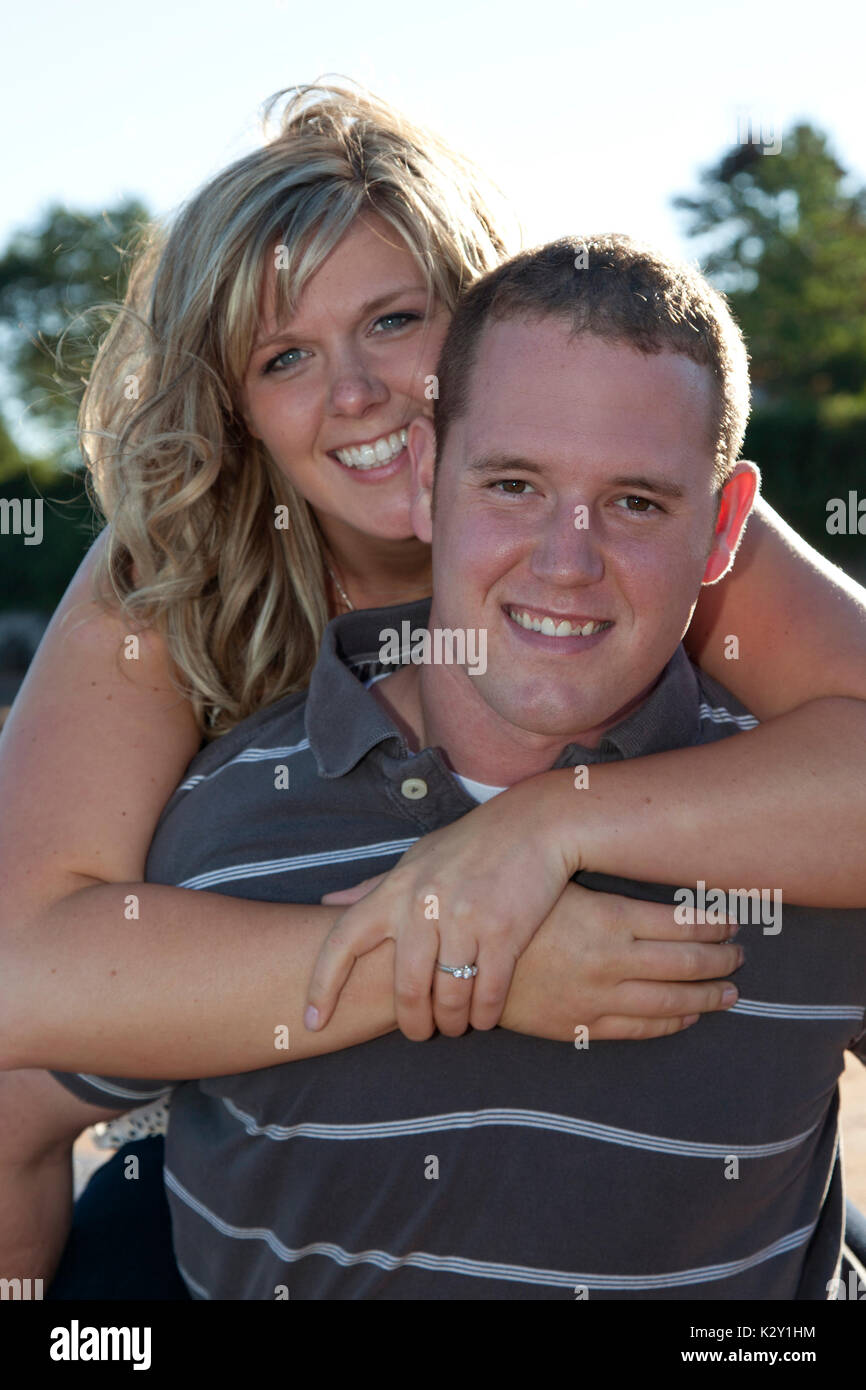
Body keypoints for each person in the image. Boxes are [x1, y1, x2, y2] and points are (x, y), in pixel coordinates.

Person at [1, 85, 865, 1296]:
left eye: (394, 320)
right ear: (238, 411)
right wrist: (474, 955)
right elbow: (25, 966)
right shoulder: (178, 554)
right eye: (286, 356)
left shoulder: (649, 514)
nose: (354, 391)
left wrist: (539, 832)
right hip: (243, 1113)